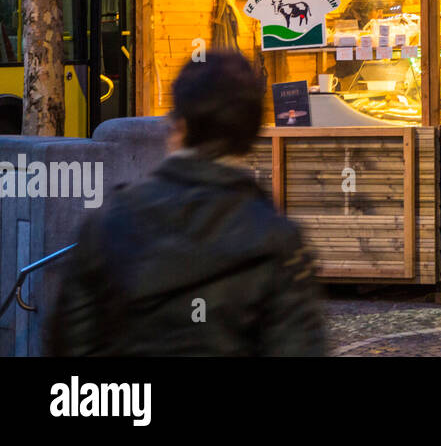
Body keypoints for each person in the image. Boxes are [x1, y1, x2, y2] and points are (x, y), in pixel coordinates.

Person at [48, 52, 325, 355]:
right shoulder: (279, 241)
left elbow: (69, 349)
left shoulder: (109, 222)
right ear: (251, 134)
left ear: (178, 126)